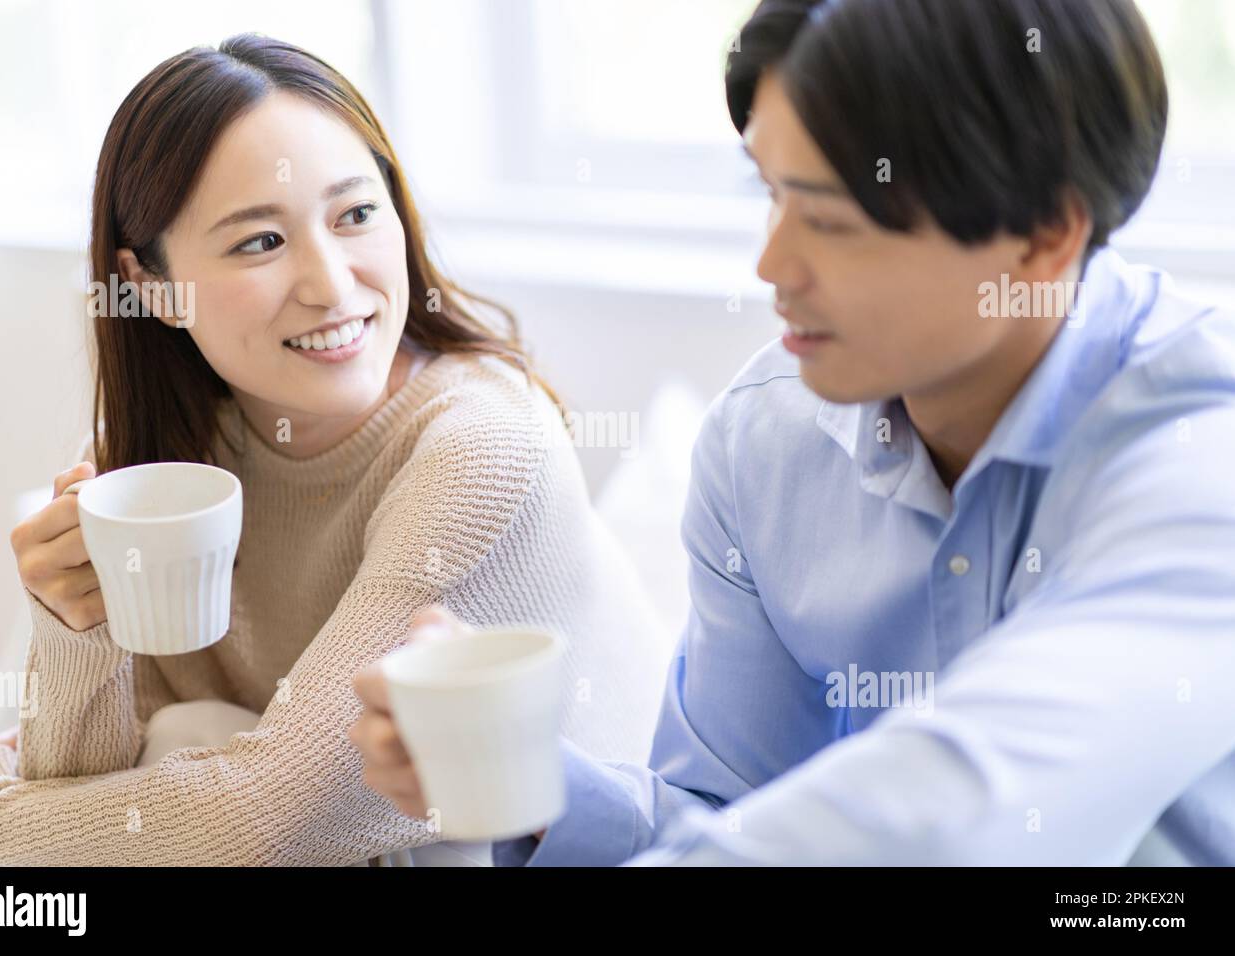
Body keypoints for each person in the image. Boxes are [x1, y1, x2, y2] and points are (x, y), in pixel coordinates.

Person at [352, 0, 1235, 866]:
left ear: (1045, 237)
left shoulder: (1200, 451)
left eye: (831, 220)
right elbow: (734, 816)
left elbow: (959, 812)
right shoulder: (766, 440)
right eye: (770, 194)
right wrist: (534, 790)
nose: (771, 265)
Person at [0, 34, 670, 866]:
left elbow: (267, 823)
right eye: (260, 242)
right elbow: (82, 784)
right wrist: (75, 631)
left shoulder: (481, 448)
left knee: (201, 738)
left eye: (355, 215)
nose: (330, 284)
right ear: (151, 287)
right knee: (188, 732)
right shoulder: (154, 465)